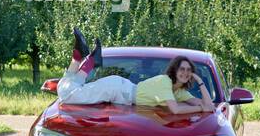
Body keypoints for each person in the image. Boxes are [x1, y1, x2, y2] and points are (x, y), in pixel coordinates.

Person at [56, 29, 215, 114]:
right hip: (118, 90)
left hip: (121, 91)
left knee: (71, 89)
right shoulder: (166, 82)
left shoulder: (179, 93)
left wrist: (199, 81)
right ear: (175, 70)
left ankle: (82, 59)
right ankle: (86, 60)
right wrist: (201, 109)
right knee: (67, 95)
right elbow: (175, 109)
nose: (185, 73)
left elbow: (209, 106)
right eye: (182, 69)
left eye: (189, 71)